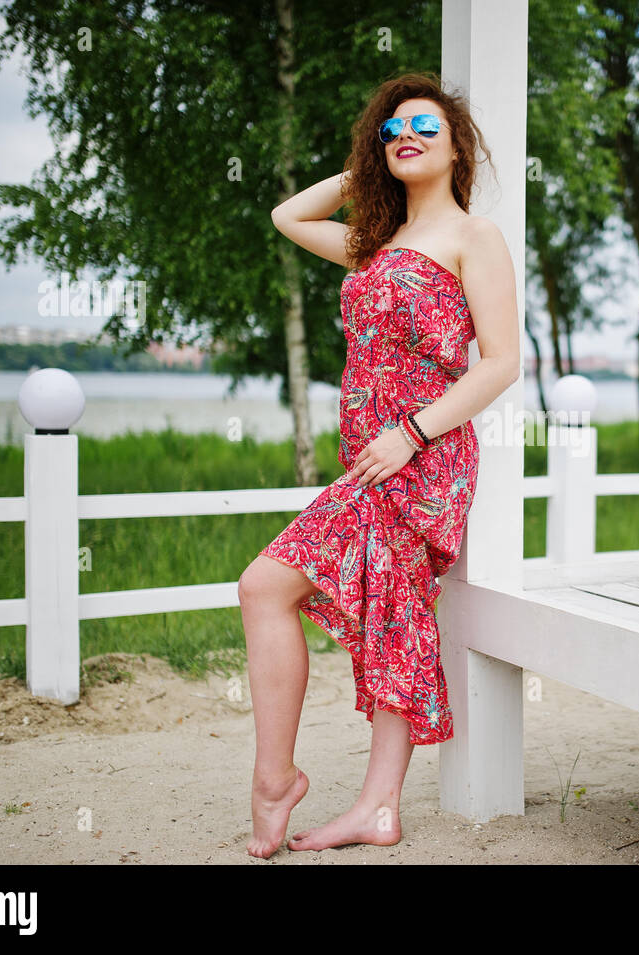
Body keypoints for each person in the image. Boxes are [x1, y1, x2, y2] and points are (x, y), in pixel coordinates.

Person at [237, 71, 520, 858]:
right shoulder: (372, 243)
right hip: (370, 462)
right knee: (357, 609)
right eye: (392, 129)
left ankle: (299, 787)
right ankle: (359, 802)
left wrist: (413, 434)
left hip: (422, 456)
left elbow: (502, 362)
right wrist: (364, 171)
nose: (407, 137)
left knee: (271, 585)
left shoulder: (474, 237)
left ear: (458, 149)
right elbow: (287, 215)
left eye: (427, 128)